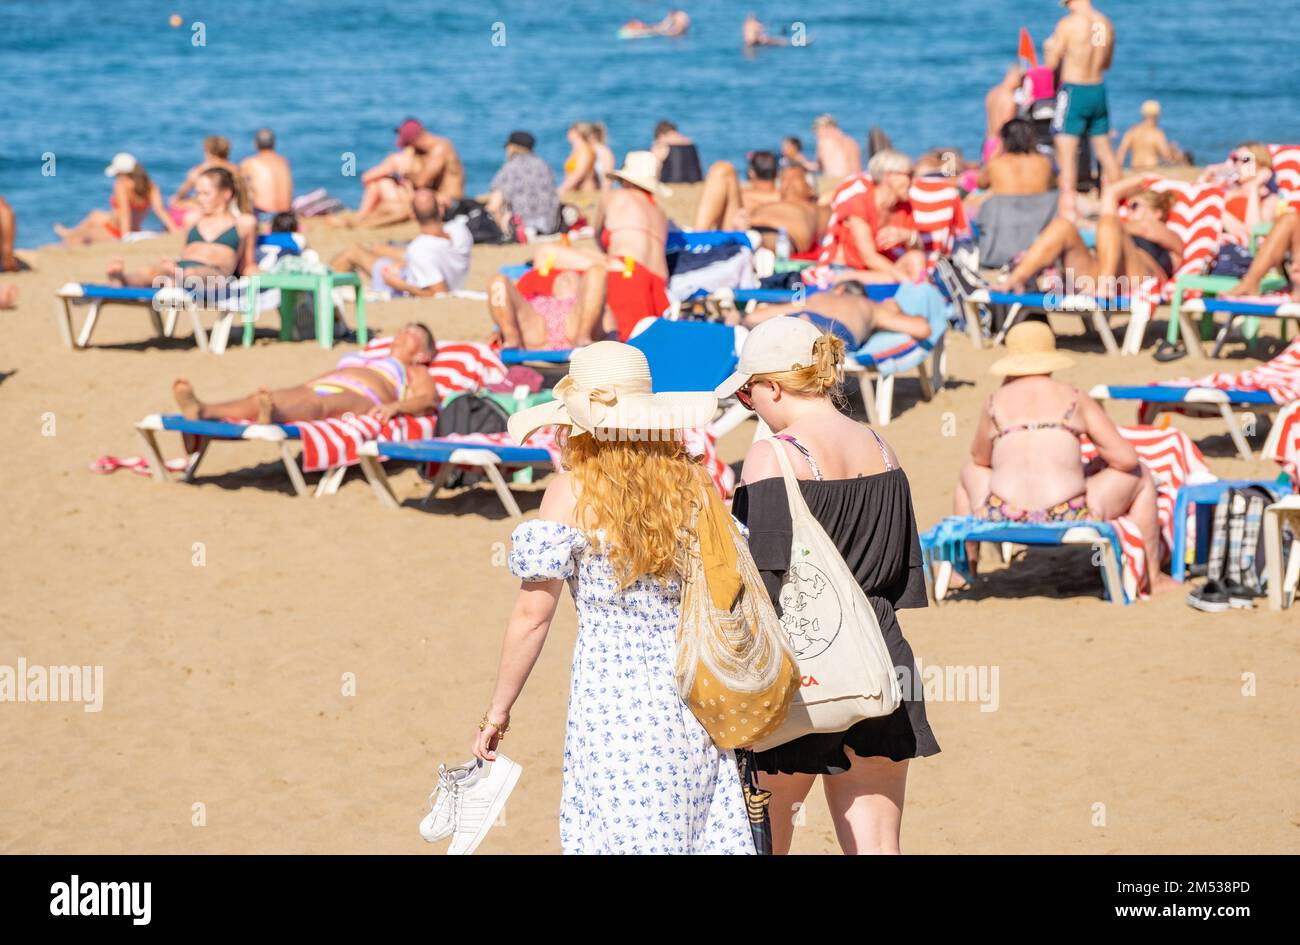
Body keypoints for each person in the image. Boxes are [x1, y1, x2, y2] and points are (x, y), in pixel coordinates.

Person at [473, 341, 754, 855]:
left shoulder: (570, 492)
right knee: (696, 833)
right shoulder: (693, 483)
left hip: (614, 703)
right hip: (697, 690)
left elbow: (533, 618)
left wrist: (498, 712)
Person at [717, 317, 938, 854]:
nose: (751, 406)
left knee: (769, 839)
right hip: (880, 660)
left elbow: (762, 582)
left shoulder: (775, 453)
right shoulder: (883, 448)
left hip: (803, 666)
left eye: (748, 393)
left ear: (772, 386)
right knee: (877, 847)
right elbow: (904, 578)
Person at [952, 321, 1176, 593]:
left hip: (1002, 510)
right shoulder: (1073, 398)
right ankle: (1152, 576)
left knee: (968, 472)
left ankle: (964, 570)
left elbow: (980, 459)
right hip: (1068, 511)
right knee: (1140, 474)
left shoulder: (994, 402)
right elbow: (1126, 458)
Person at [172, 323, 438, 424]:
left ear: (423, 354)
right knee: (271, 395)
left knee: (319, 404)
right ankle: (204, 410)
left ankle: (274, 416)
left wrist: (396, 407)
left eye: (414, 334)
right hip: (330, 382)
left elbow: (428, 400)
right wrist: (307, 384)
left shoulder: (414, 370)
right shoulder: (367, 357)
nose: (404, 332)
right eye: (403, 328)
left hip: (365, 396)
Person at [992, 178, 1182, 296]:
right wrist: (1141, 179)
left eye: (1135, 206)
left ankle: (1105, 285)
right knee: (1062, 226)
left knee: (1109, 221)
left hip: (1141, 279)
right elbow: (1111, 193)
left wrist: (1099, 225)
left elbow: (1145, 229)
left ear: (1158, 212)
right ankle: (1017, 278)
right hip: (1099, 275)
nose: (1129, 211)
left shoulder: (1170, 235)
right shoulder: (1120, 230)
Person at [106, 167, 256, 286]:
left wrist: (260, 277)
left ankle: (176, 276)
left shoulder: (244, 222)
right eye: (197, 194)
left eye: (206, 194)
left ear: (226, 194)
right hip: (181, 266)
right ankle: (122, 279)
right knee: (151, 271)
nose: (200, 199)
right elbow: (184, 252)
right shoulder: (192, 219)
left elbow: (247, 265)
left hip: (216, 273)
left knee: (193, 273)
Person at [1045, 0, 1121, 221]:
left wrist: (1049, 48)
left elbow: (1050, 64)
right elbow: (1106, 63)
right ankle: (1118, 200)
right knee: (1105, 150)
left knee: (1065, 150)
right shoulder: (1103, 23)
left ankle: (1068, 211)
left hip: (1074, 89)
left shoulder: (1068, 24)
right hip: (1097, 87)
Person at [330, 189, 471, 297]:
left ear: (413, 216)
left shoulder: (420, 249)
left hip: (402, 284)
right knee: (378, 249)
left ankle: (323, 290)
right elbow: (437, 253)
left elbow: (440, 295)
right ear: (440, 210)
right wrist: (405, 262)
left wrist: (398, 284)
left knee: (352, 252)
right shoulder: (460, 231)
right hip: (418, 270)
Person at [816, 149, 926, 284]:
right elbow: (868, 256)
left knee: (916, 258)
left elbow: (918, 254)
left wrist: (909, 236)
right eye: (909, 175)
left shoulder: (904, 207)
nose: (914, 181)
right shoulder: (859, 202)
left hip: (879, 271)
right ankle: (921, 295)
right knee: (890, 278)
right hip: (844, 270)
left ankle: (923, 298)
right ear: (888, 176)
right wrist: (906, 280)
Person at [598, 151, 672, 340]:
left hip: (628, 276)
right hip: (660, 287)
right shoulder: (660, 212)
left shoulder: (619, 196)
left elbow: (597, 233)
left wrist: (606, 185)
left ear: (627, 180)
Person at [345, 119, 466, 227]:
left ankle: (361, 223)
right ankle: (360, 217)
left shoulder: (440, 148)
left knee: (401, 207)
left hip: (450, 201)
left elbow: (421, 181)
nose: (408, 148)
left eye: (409, 144)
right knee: (379, 183)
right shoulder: (423, 152)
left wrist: (402, 171)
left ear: (415, 140)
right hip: (432, 195)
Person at [734, 281, 932, 346]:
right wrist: (896, 310)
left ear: (839, 289)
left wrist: (741, 319)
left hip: (801, 321)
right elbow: (922, 328)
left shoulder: (819, 297)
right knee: (808, 335)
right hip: (833, 333)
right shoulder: (873, 307)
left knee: (797, 327)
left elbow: (754, 318)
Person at [54, 153, 179, 245]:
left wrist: (125, 237)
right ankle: (68, 232)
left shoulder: (122, 185)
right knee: (95, 215)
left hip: (116, 230)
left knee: (79, 237)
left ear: (123, 174)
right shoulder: (151, 187)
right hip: (132, 228)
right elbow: (160, 210)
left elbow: (125, 212)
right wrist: (174, 230)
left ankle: (68, 236)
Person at [485, 258, 608, 350]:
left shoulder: (589, 304)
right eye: (561, 278)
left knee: (597, 271)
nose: (565, 277)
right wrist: (502, 331)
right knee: (497, 281)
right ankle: (511, 339)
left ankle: (583, 338)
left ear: (582, 286)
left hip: (574, 330)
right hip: (537, 332)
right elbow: (505, 309)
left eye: (571, 278)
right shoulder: (537, 299)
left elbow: (608, 327)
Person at [486, 131, 561, 236]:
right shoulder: (544, 165)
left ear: (512, 147)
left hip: (521, 229)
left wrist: (503, 231)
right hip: (550, 226)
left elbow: (494, 207)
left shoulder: (510, 167)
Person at [693, 150, 781, 230]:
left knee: (723, 170)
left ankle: (698, 236)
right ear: (777, 173)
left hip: (741, 239)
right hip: (776, 240)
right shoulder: (784, 197)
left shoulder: (743, 196)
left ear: (752, 173)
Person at [170, 136, 241, 228]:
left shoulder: (198, 171)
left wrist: (186, 203)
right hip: (233, 207)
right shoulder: (236, 169)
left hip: (209, 209)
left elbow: (179, 195)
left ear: (207, 152)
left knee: (176, 203)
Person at [976, 119, 1054, 196]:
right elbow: (1051, 183)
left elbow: (981, 183)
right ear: (1031, 138)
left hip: (1005, 207)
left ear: (1004, 140)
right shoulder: (1044, 162)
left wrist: (996, 153)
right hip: (1039, 207)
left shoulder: (996, 164)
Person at [239, 128, 294, 220]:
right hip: (287, 215)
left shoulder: (249, 163)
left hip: (264, 214)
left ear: (255, 144)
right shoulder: (283, 161)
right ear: (274, 144)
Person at [1116, 101, 1180, 170]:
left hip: (1134, 169)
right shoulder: (1157, 133)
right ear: (1157, 116)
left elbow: (1120, 157)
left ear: (1143, 114)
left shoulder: (1132, 131)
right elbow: (1167, 157)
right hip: (1151, 170)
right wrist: (1173, 150)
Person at [983, 65, 1023, 164]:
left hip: (988, 141)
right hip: (1000, 145)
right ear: (1017, 78)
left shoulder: (992, 93)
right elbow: (1006, 128)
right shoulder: (1010, 99)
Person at [812, 114, 862, 183]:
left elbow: (818, 167)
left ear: (825, 128)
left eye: (817, 131)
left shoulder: (824, 142)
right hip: (855, 181)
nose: (816, 135)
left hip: (835, 182)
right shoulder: (851, 141)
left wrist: (799, 158)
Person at [558, 123, 599, 195]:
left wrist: (563, 189)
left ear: (577, 134)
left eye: (570, 131)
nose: (568, 134)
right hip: (574, 190)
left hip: (584, 192)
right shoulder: (576, 150)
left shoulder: (585, 151)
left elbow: (579, 173)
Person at [621, 9, 690, 38]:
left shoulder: (679, 18)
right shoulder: (681, 17)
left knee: (655, 29)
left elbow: (664, 27)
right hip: (673, 30)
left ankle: (637, 27)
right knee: (655, 28)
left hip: (671, 31)